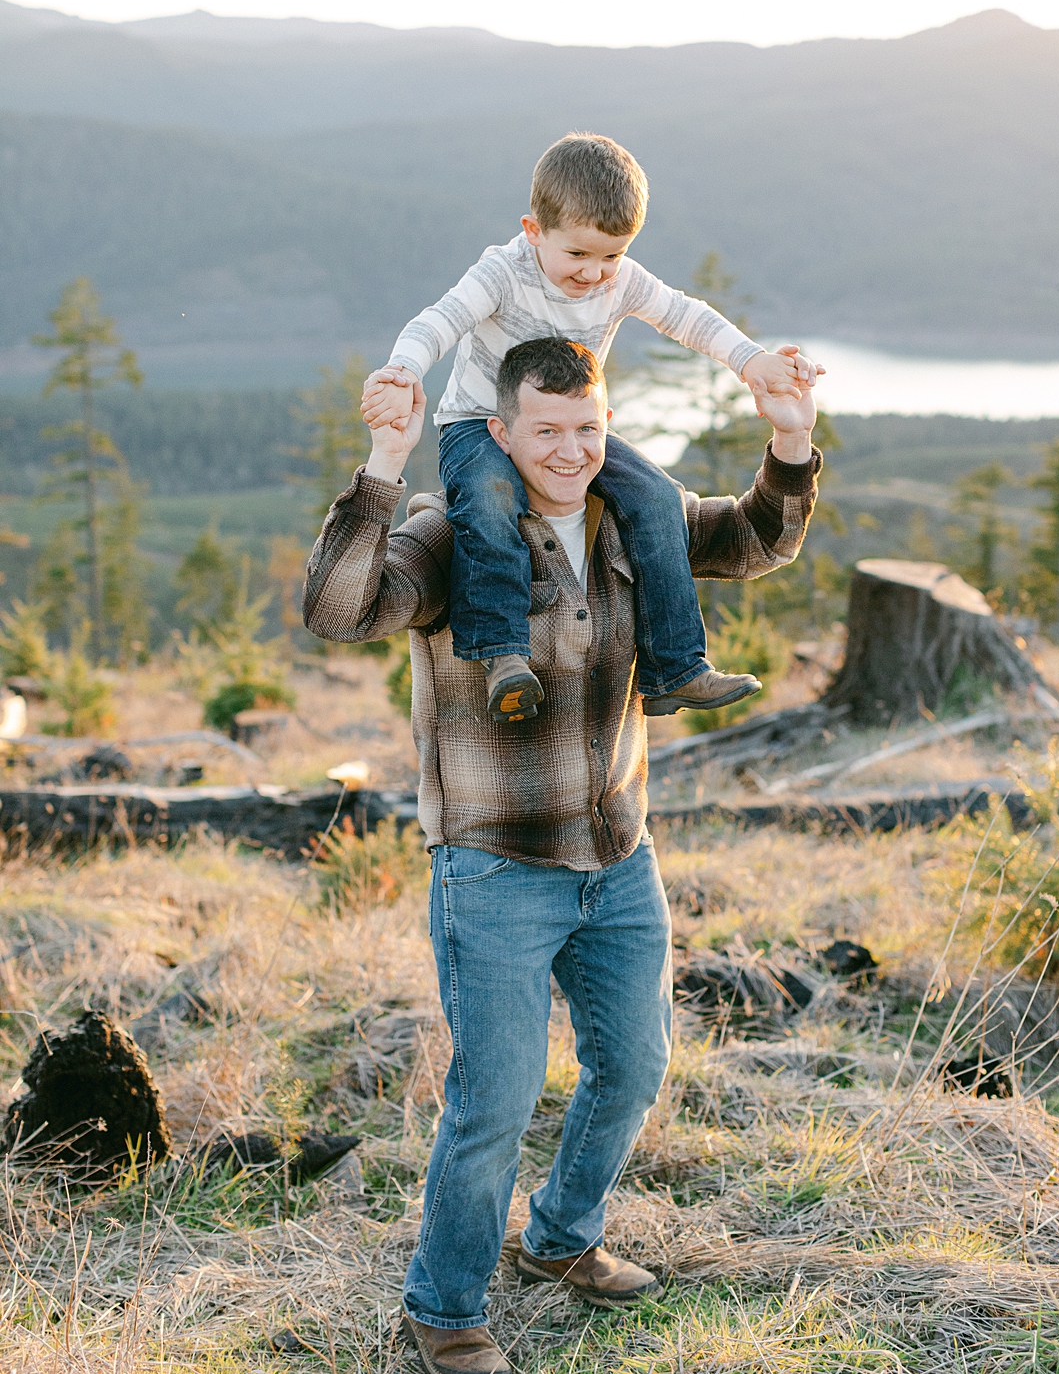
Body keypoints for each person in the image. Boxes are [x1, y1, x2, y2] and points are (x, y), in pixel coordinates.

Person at [303, 336, 821, 1374]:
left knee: (629, 1070)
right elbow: (337, 610)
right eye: (546, 430)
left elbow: (757, 537)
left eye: (587, 428)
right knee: (493, 1099)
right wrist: (381, 464)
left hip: (618, 859)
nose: (570, 450)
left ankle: (558, 1236)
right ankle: (444, 1308)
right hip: (494, 870)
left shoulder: (637, 519)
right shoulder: (452, 536)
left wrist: (790, 432)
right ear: (500, 432)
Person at [359, 132, 824, 724]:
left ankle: (675, 667)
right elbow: (440, 322)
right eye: (578, 255)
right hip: (480, 422)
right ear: (534, 231)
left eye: (612, 255)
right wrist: (402, 370)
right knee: (490, 496)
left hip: (575, 426)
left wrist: (751, 360)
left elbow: (687, 317)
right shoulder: (504, 272)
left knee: (658, 497)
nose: (596, 273)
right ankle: (501, 652)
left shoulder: (622, 279)